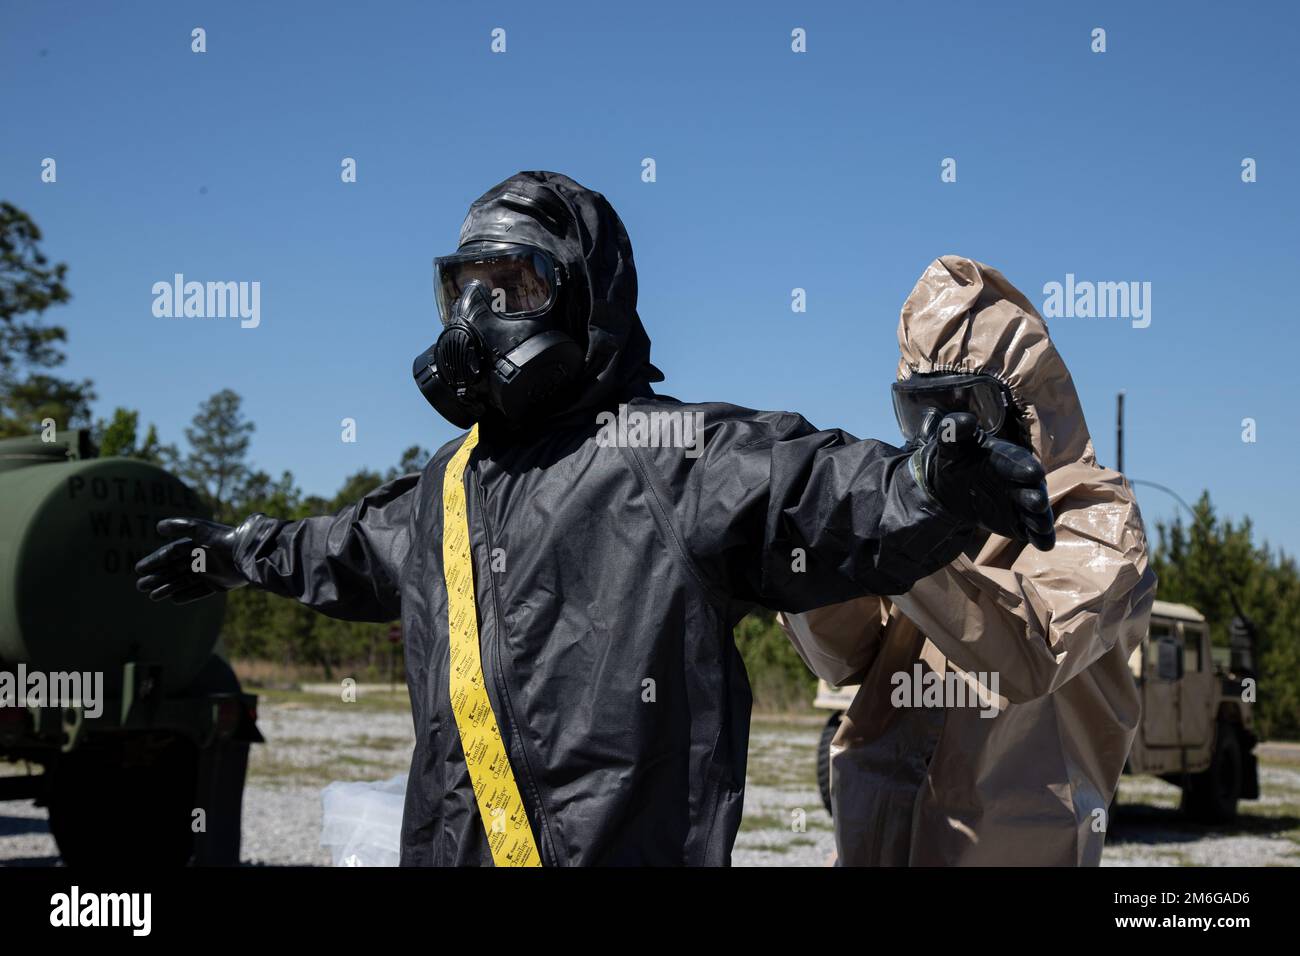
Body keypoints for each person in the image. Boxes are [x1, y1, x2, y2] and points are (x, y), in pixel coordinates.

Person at [135, 174, 1054, 866]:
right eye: (464, 289)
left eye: (515, 286)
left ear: (586, 297)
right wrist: (232, 553)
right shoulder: (445, 490)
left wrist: (927, 484)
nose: (478, 320)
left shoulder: (666, 457)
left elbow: (813, 488)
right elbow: (339, 547)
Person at [780, 255, 1156, 866]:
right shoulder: (917, 518)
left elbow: (1030, 652)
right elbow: (841, 659)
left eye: (968, 410)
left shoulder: (1095, 512)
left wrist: (906, 536)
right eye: (922, 413)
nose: (944, 435)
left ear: (1025, 404)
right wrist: (817, 548)